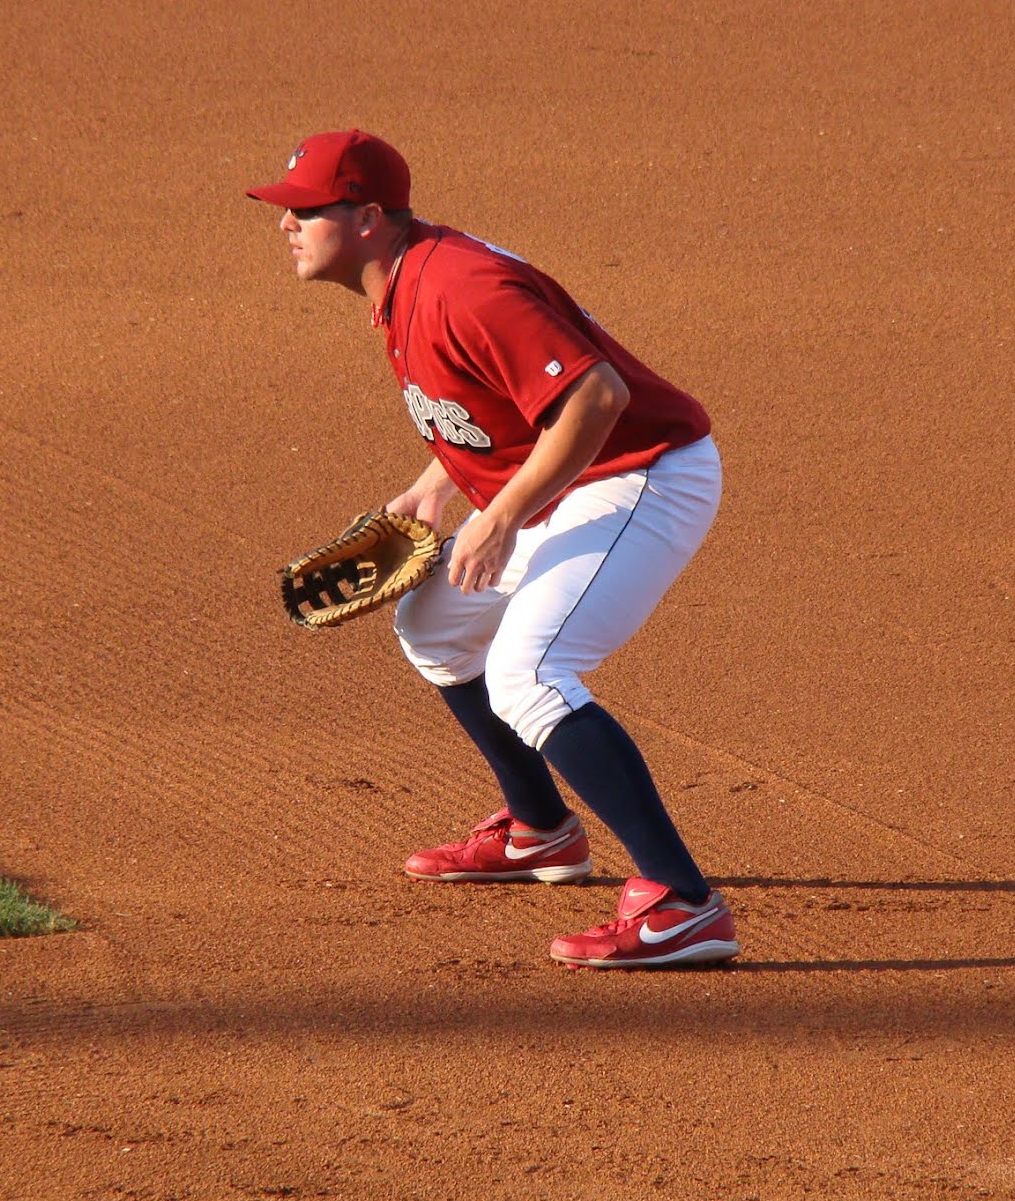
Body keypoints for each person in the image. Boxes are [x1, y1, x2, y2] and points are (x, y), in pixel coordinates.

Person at [247, 128, 738, 969]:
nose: (286, 224)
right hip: (561, 478)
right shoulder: (402, 281)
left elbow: (599, 396)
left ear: (366, 217)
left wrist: (503, 514)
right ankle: (541, 832)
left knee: (530, 669)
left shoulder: (459, 289)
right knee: (435, 625)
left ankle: (683, 901)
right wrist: (433, 491)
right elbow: (491, 403)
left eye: (305, 210)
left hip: (642, 472)